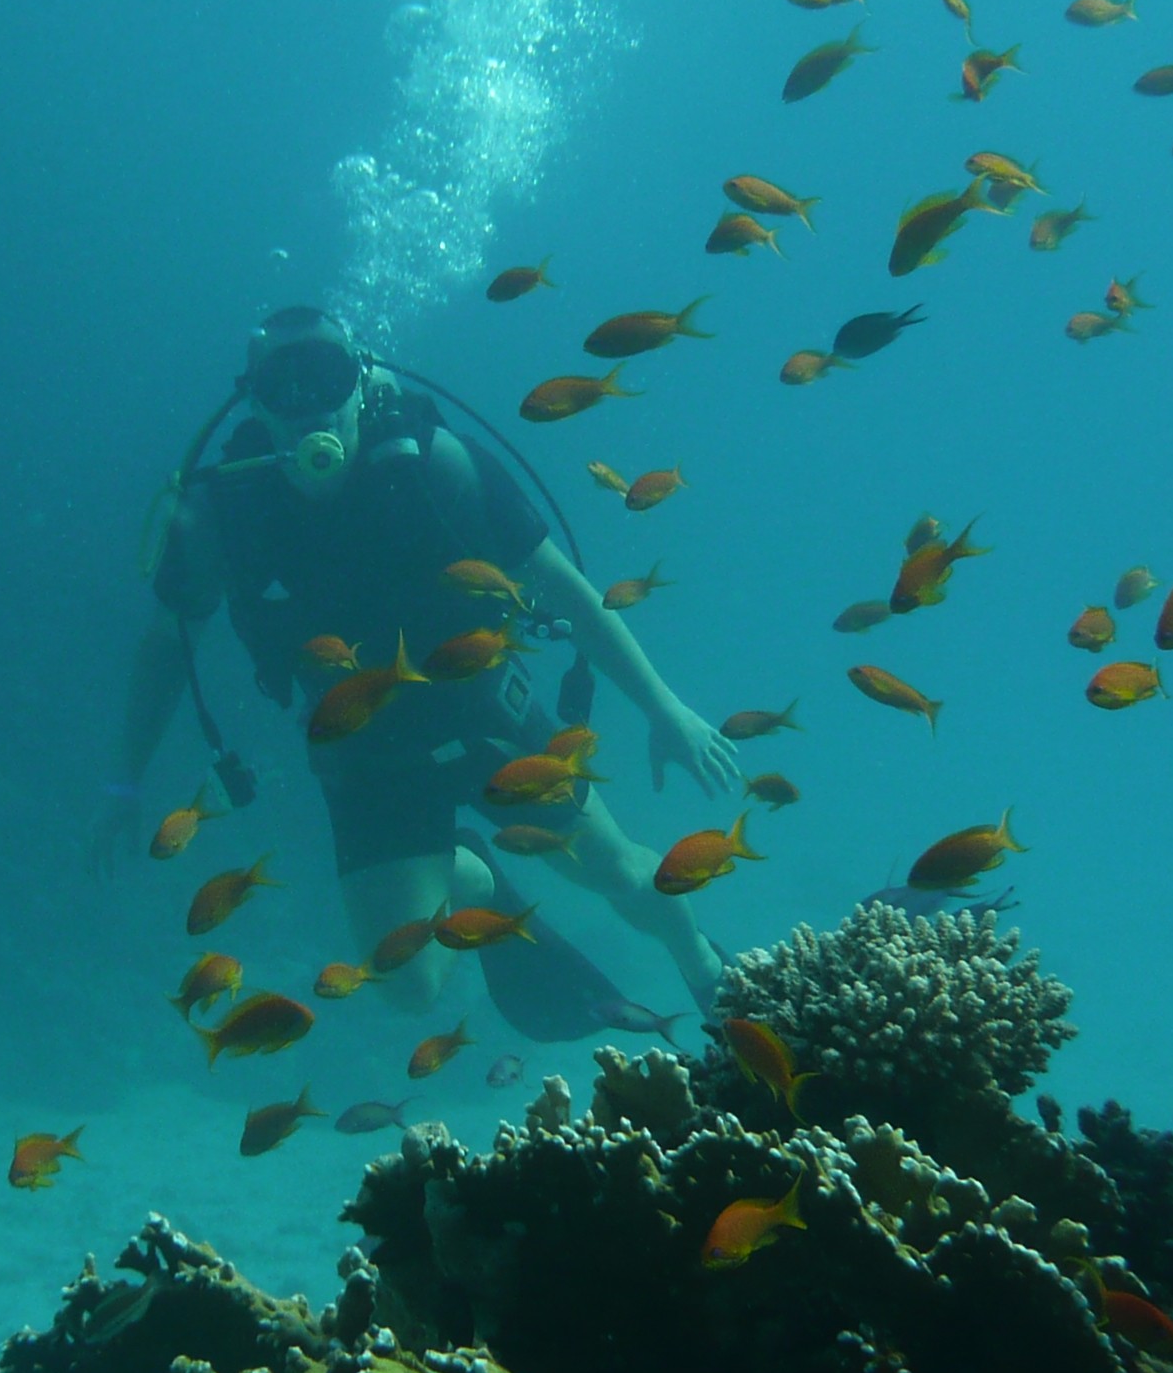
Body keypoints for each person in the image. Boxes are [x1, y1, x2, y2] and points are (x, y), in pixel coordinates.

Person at [93, 305, 739, 1020]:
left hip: (483, 710)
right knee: (407, 987)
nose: (309, 406)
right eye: (284, 385)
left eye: (326, 377)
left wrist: (664, 710)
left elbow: (569, 593)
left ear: (360, 381)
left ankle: (706, 970)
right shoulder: (221, 515)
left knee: (615, 869)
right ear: (255, 402)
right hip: (365, 753)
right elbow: (166, 648)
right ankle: (475, 879)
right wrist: (126, 781)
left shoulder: (441, 465)